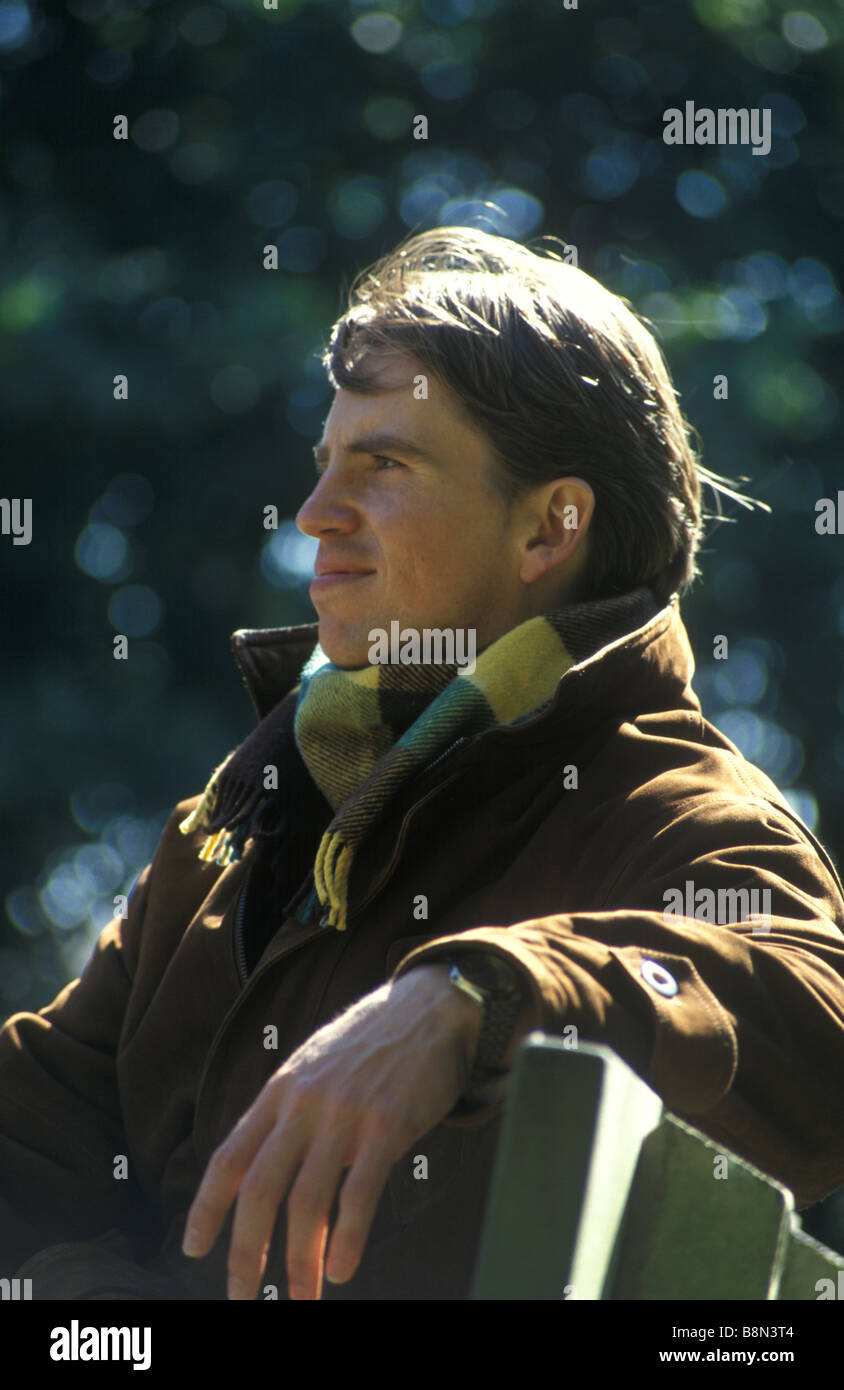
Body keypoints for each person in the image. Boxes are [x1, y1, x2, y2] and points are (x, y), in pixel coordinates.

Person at [2, 226, 844, 1302]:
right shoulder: (224, 834)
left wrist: (477, 996)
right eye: (324, 467)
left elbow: (820, 1017)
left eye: (383, 465)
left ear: (549, 531)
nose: (314, 516)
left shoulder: (673, 810)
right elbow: (33, 1139)